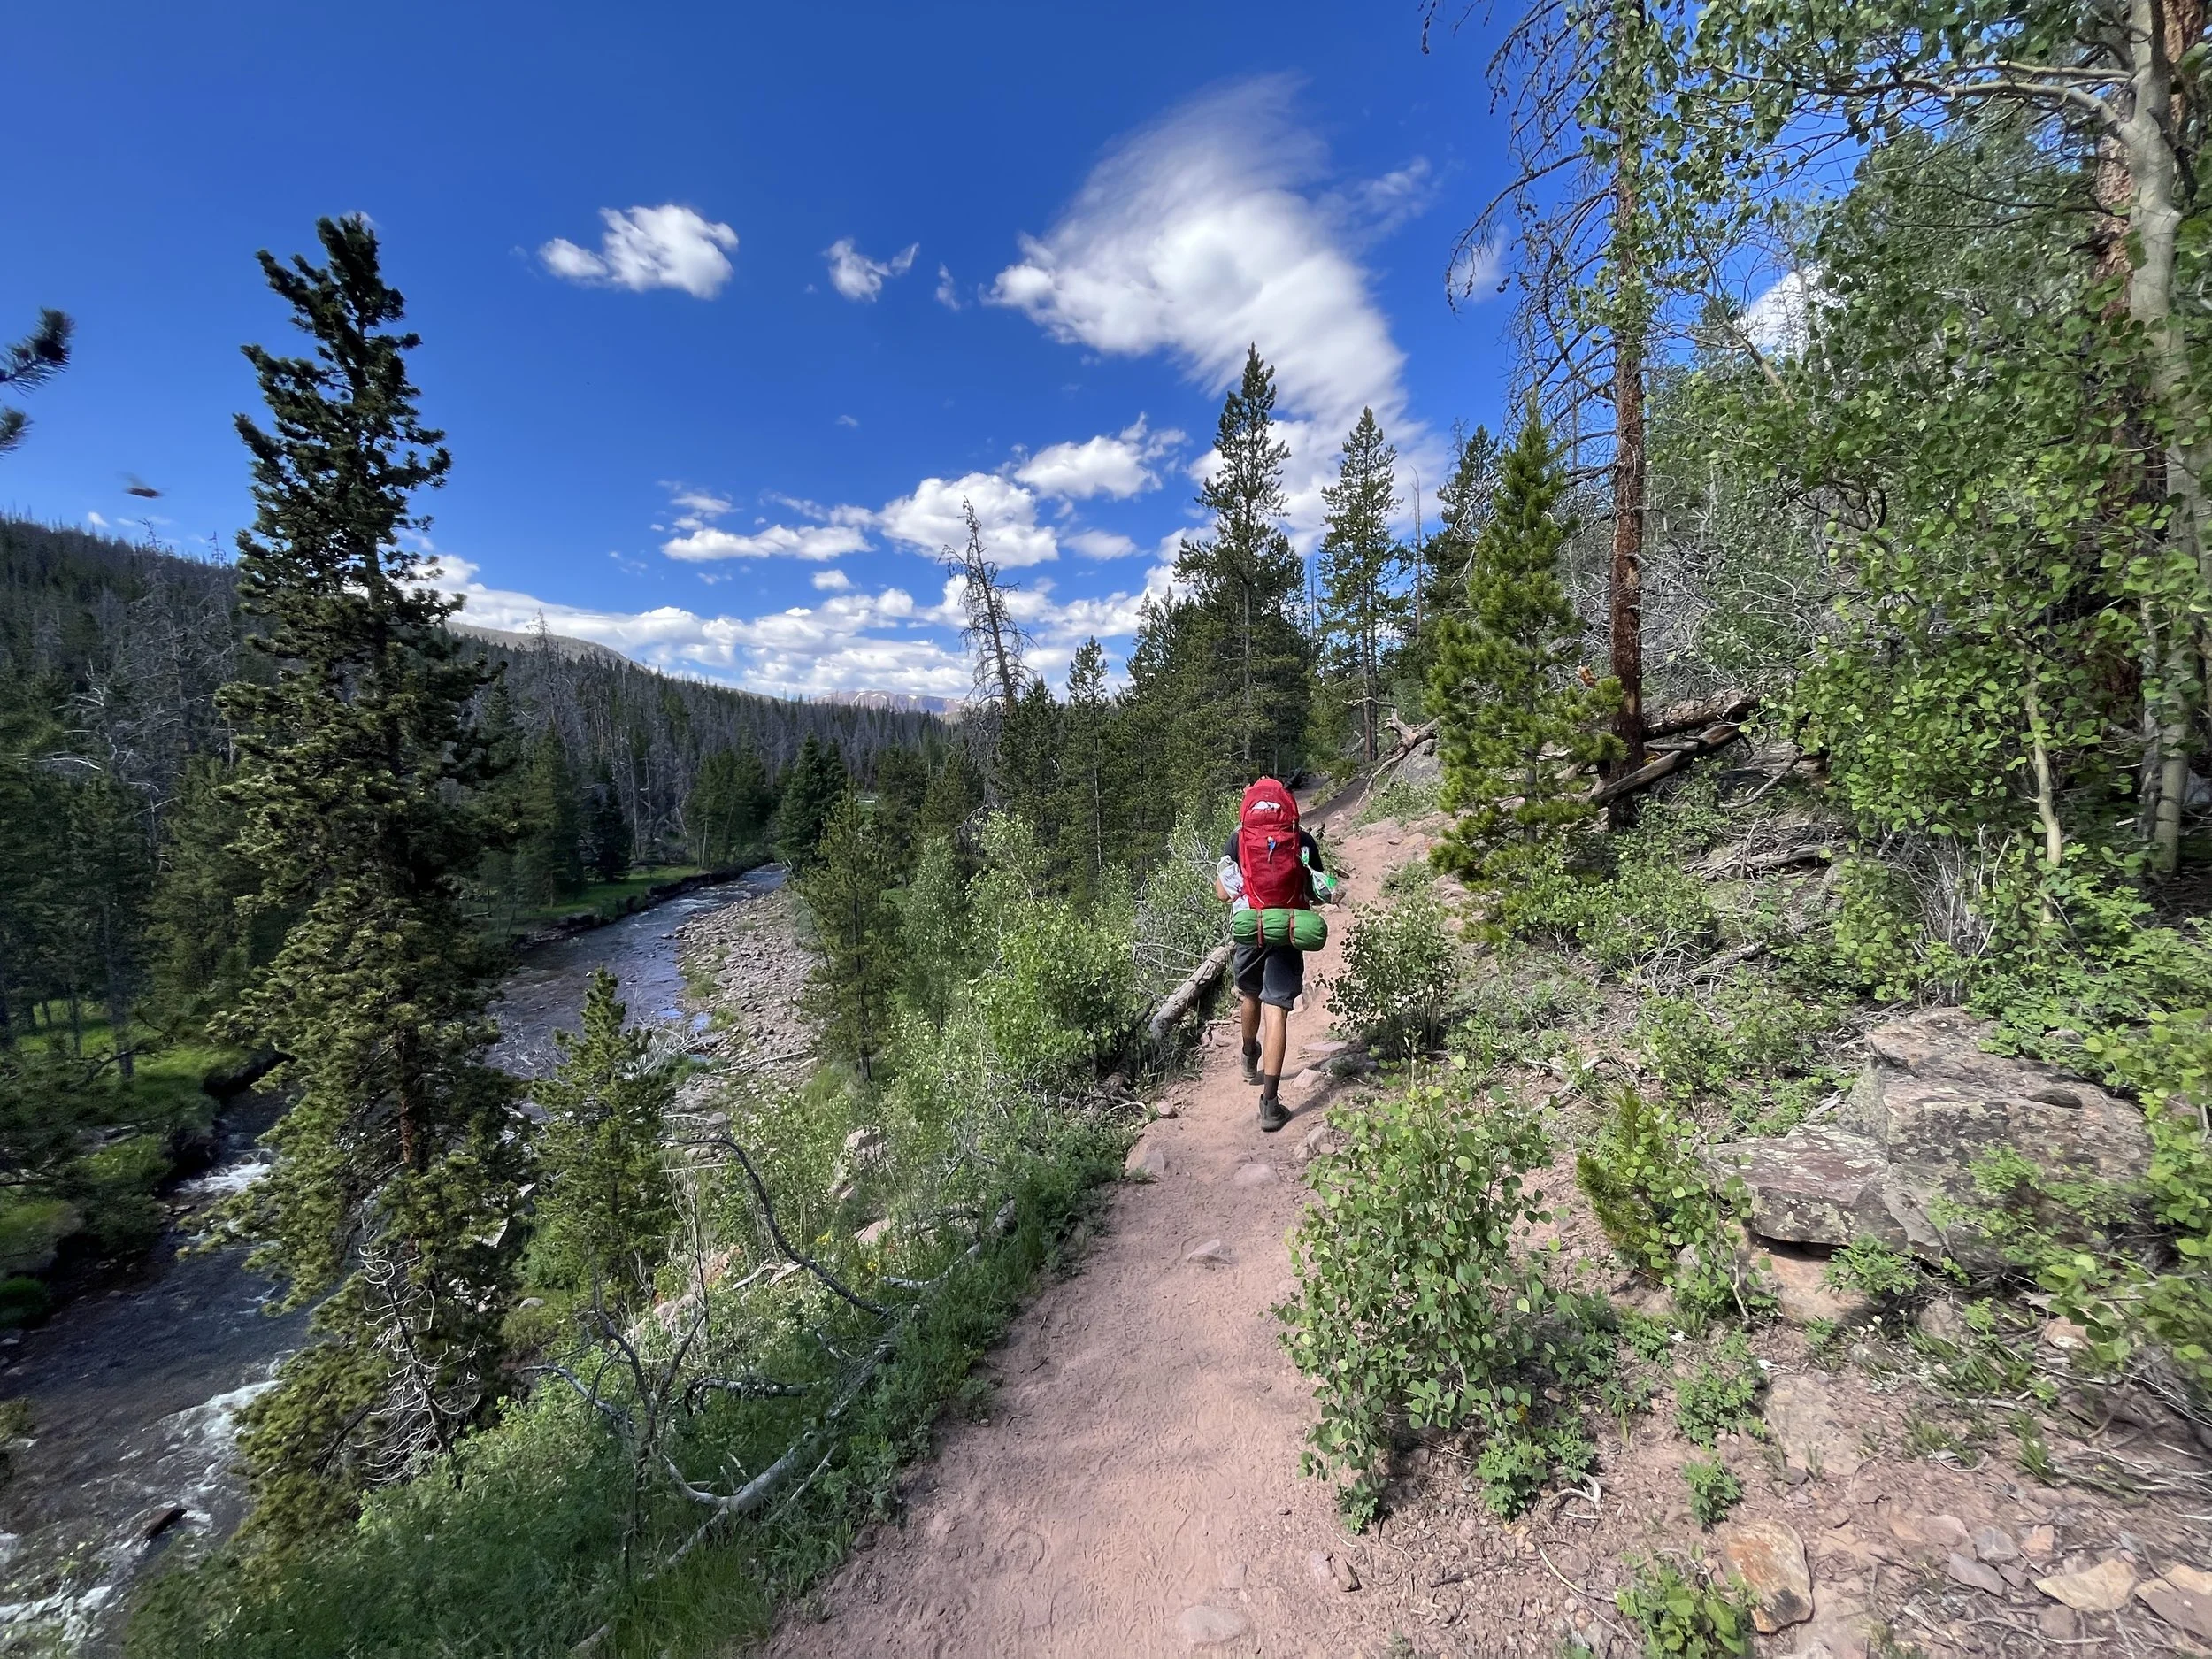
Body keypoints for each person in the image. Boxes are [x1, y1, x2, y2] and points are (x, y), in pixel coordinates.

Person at [1215, 776, 1330, 1133]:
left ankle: (1250, 1054)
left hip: (1251, 927)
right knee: (1277, 1010)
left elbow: (1222, 893)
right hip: (1290, 927)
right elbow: (1320, 891)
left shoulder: (1239, 839)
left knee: (1250, 994)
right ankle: (1269, 1104)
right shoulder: (1303, 840)